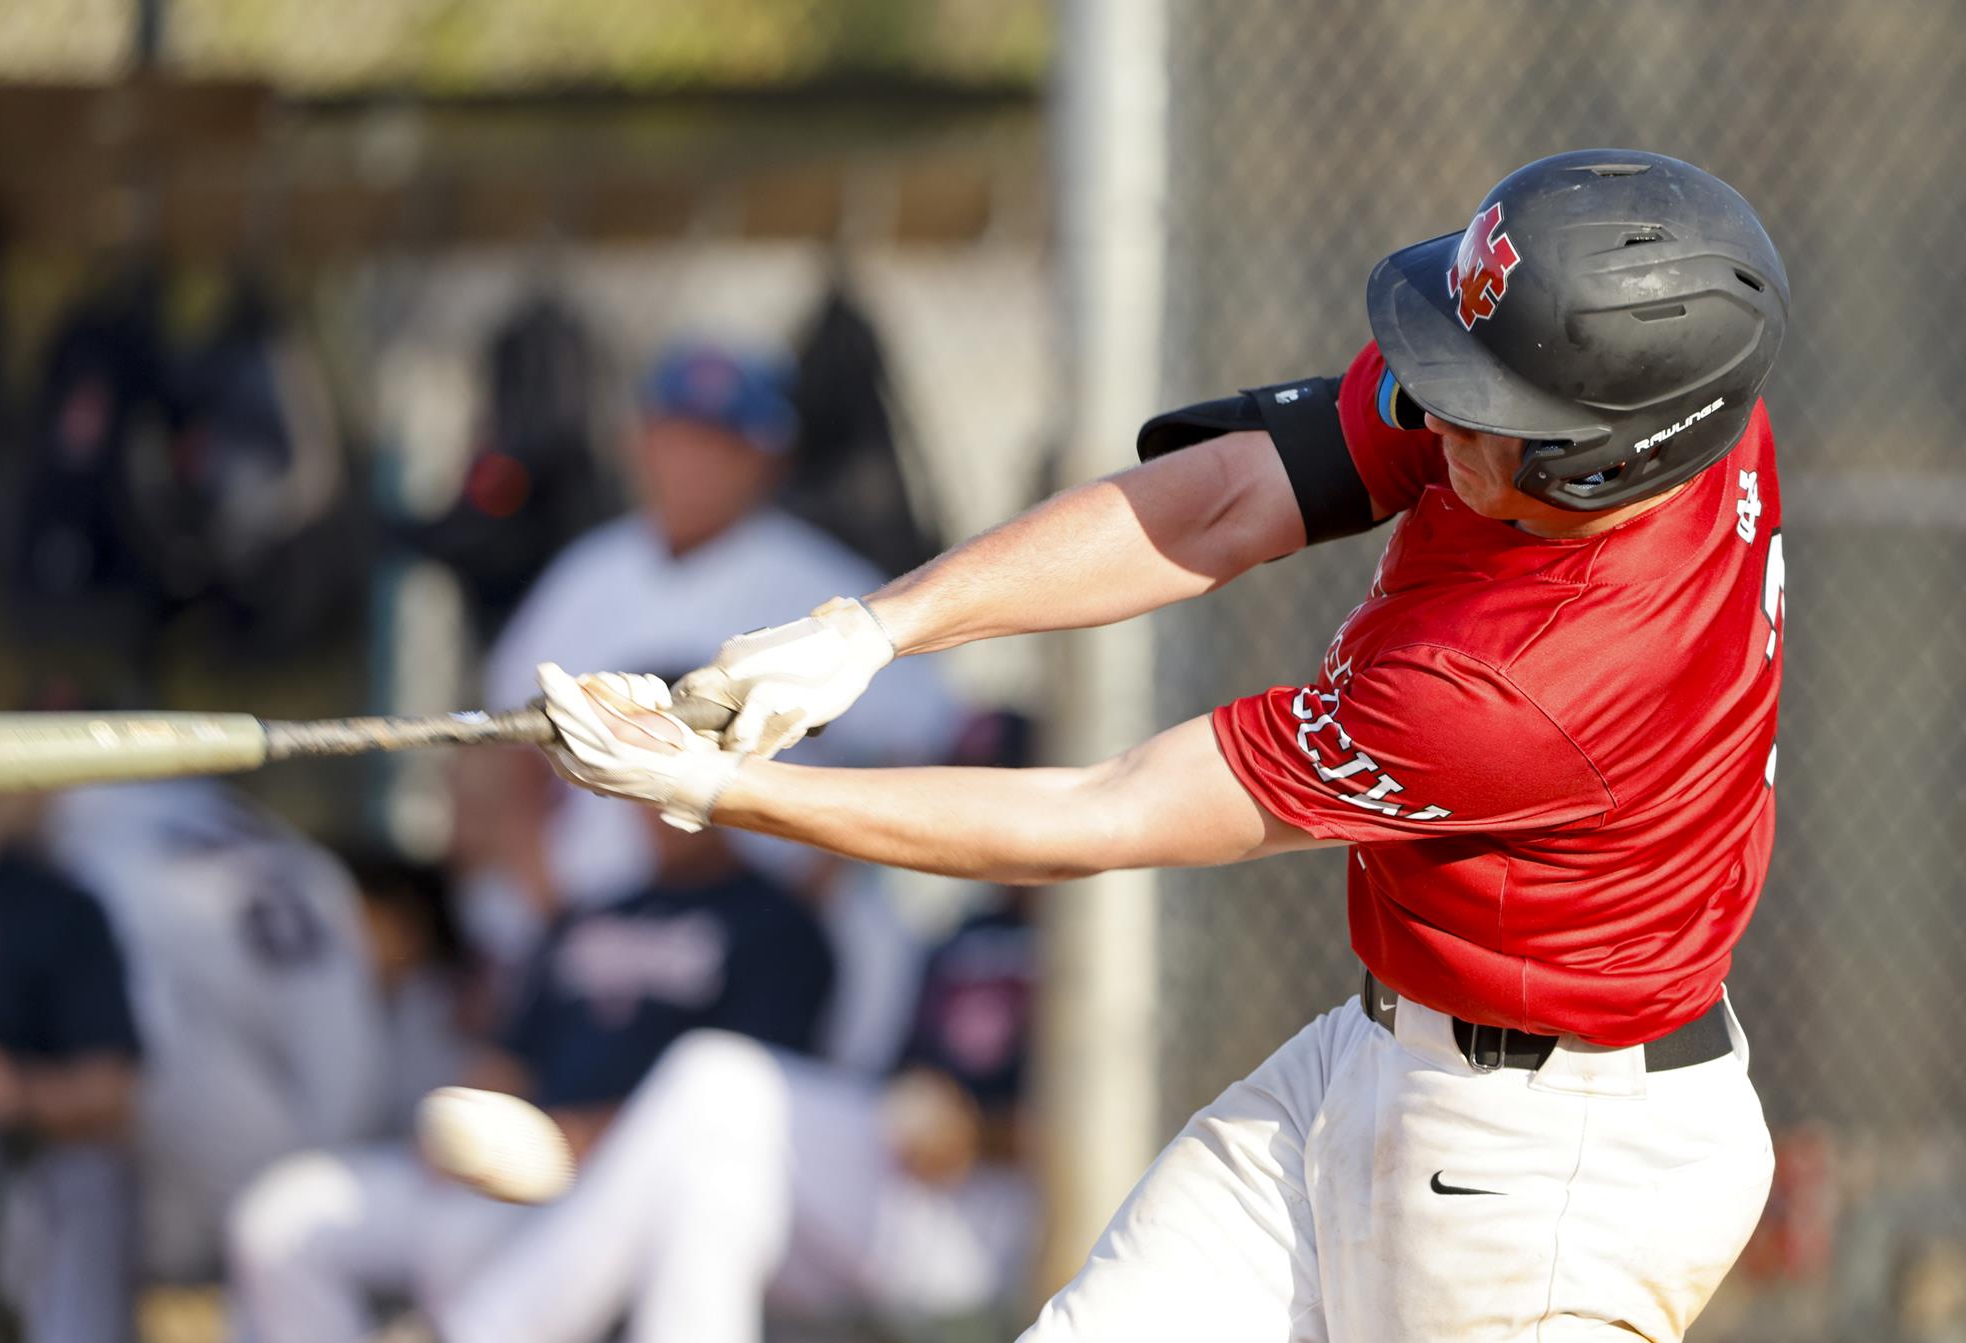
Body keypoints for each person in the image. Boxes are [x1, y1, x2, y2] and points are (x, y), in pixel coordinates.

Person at [534, 149, 1791, 1341]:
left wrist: (728, 787)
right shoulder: (1654, 407)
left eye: (1483, 405)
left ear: (1603, 460)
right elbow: (1231, 495)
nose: (1432, 409)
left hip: (1546, 1177)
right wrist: (870, 628)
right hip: (1384, 1058)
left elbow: (1103, 808)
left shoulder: (1510, 691)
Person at [426, 723, 1042, 1343]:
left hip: (999, 1217)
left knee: (717, 1083)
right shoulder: (961, 935)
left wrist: (982, 1133)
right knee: (709, 1178)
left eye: (999, 790)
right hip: (887, 1189)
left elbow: (1091, 1139)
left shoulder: (1097, 949)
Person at [476, 338, 961, 1070]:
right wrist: (544, 894)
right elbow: (506, 747)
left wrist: (818, 882)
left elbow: (923, 742)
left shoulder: (825, 583)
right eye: (679, 437)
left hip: (773, 919)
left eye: (721, 444)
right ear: (640, 441)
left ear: (769, 459)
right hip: (600, 908)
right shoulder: (586, 577)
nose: (694, 463)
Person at [226, 806, 837, 1343]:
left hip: (622, 1186)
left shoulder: (777, 926)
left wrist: (578, 1140)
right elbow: (509, 1058)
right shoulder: (596, 911)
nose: (661, 810)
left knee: (465, 1243)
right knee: (282, 1220)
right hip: (513, 1162)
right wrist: (457, 1123)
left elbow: (743, 1104)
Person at [43, 778, 391, 1282]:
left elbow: (127, 1039)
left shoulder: (95, 842)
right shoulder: (210, 809)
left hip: (246, 1127)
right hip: (342, 1107)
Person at [0, 793, 143, 1343]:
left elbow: (112, 1094)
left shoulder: (56, 908)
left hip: (17, 1161)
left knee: (84, 1179)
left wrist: (17, 1091)